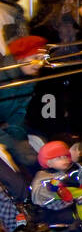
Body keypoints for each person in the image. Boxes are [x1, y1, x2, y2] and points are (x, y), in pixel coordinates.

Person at [28, 0, 82, 144]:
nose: (72, 2)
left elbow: (81, 54)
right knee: (51, 127)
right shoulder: (40, 28)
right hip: (49, 90)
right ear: (58, 2)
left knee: (74, 130)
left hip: (74, 88)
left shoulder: (73, 25)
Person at [0, 35, 44, 171]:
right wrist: (14, 144)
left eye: (42, 59)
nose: (39, 64)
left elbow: (19, 114)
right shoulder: (3, 78)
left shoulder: (27, 80)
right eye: (35, 58)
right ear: (21, 58)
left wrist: (21, 139)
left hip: (8, 130)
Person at [31, 140, 82, 210]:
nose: (64, 159)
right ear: (48, 163)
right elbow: (36, 196)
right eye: (59, 157)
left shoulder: (76, 168)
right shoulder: (43, 176)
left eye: (66, 156)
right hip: (56, 207)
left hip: (80, 199)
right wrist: (51, 189)